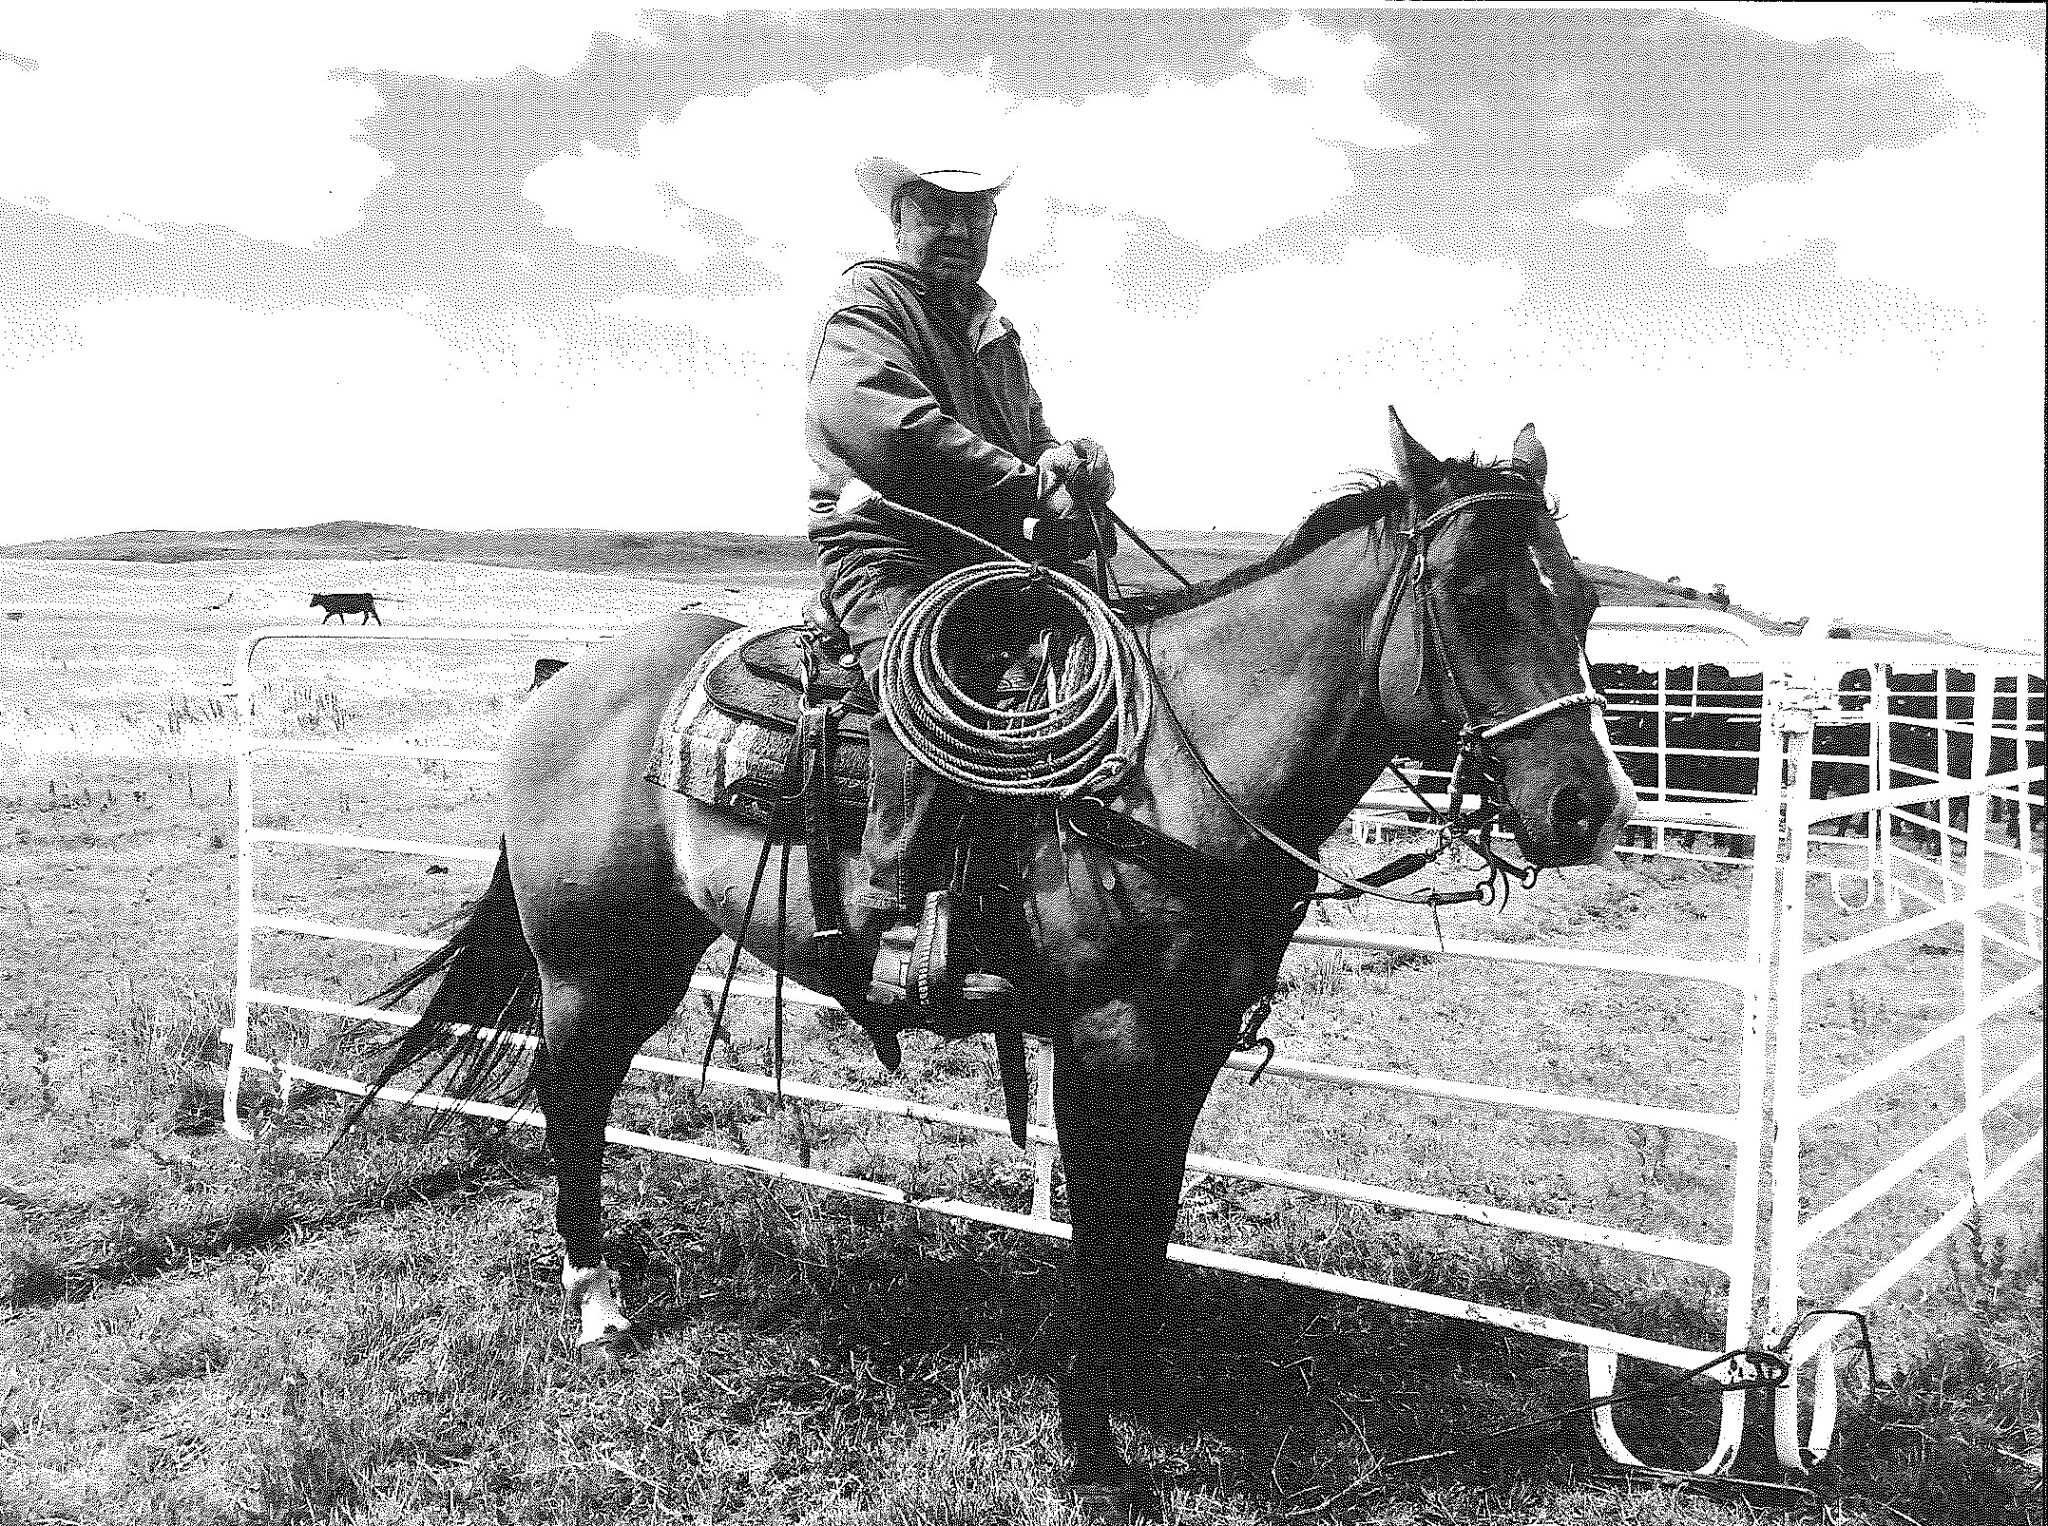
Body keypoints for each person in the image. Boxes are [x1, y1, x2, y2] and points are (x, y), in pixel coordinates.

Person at [803, 155, 1115, 1012]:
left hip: (978, 553)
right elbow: (879, 424)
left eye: (975, 215)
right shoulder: (868, 304)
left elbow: (1031, 434)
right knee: (925, 681)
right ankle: (896, 923)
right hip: (886, 546)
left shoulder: (988, 326)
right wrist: (1023, 484)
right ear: (899, 221)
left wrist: (1065, 462)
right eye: (937, 211)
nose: (958, 230)